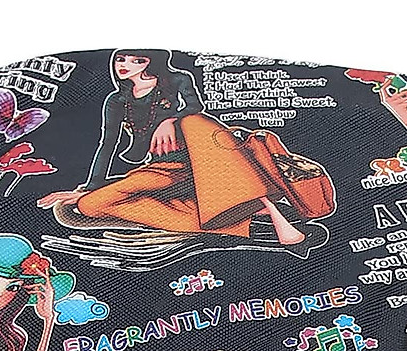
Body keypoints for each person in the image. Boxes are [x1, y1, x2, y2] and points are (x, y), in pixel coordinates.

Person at [38, 50, 329, 246]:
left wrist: (171, 120)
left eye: (136, 60)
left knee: (194, 122)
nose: (124, 65)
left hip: (204, 158)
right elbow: (108, 143)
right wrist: (90, 187)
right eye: (121, 59)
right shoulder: (117, 100)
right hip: (163, 167)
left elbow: (194, 108)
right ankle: (246, 224)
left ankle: (266, 206)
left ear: (150, 62)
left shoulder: (178, 80)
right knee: (90, 205)